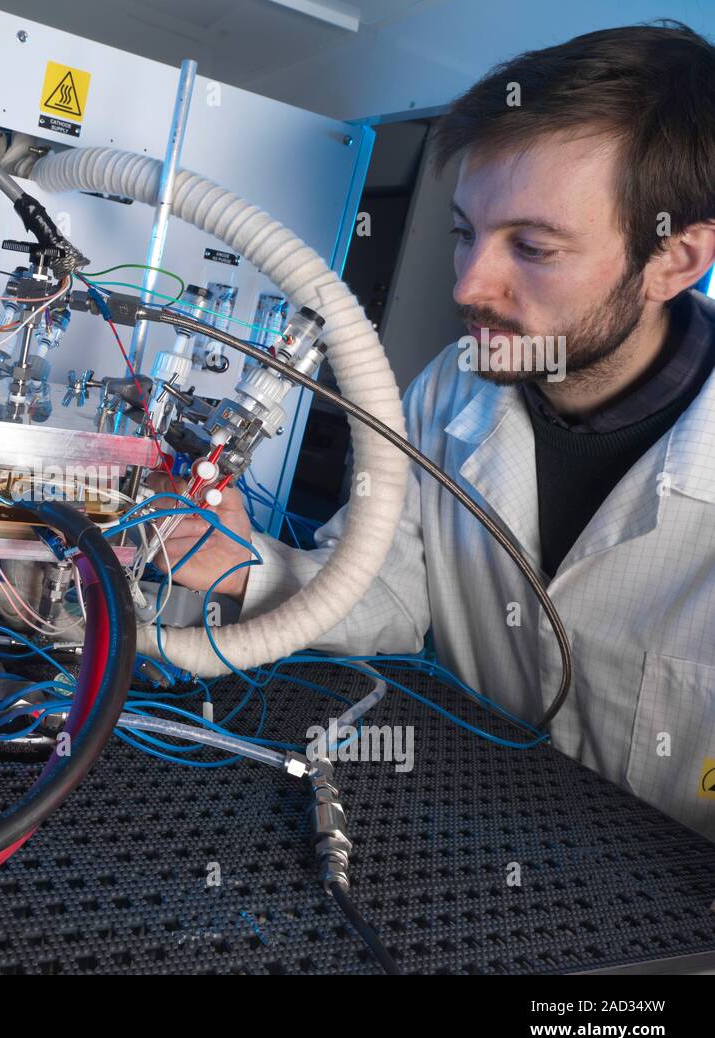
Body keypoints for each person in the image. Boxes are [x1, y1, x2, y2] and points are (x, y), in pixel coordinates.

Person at [157, 22, 715, 842]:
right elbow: (386, 594)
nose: (470, 285)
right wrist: (240, 566)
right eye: (464, 233)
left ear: (675, 260)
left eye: (533, 247)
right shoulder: (452, 385)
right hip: (464, 835)